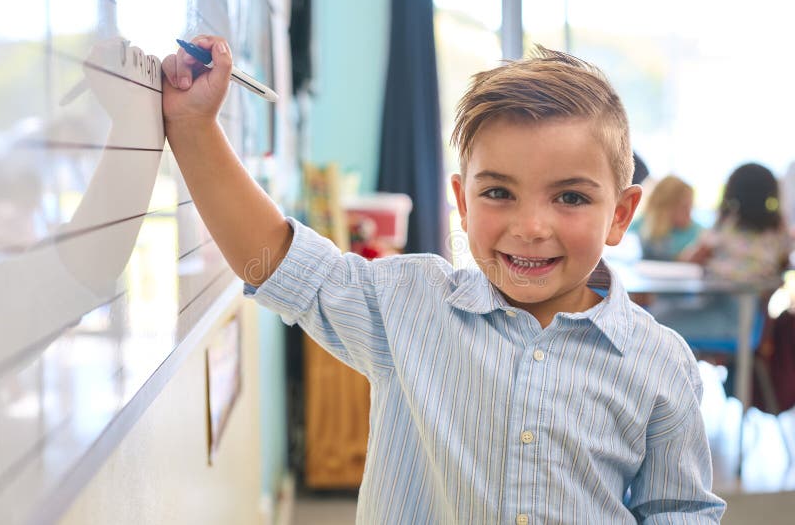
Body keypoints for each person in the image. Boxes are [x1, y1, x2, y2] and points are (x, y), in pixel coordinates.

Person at [161, 35, 725, 523]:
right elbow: (277, 260)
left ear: (621, 215)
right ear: (461, 200)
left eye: (571, 197)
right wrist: (192, 126)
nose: (530, 227)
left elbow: (679, 511)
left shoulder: (660, 363)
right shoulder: (408, 304)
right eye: (498, 192)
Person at [652, 163, 791, 347]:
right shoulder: (779, 231)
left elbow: (690, 259)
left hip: (723, 317)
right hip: (753, 323)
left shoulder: (727, 225)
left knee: (653, 319)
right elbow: (781, 271)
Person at [630, 175, 703, 261]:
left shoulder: (698, 233)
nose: (689, 214)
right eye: (684, 207)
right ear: (665, 207)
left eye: (691, 207)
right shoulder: (638, 227)